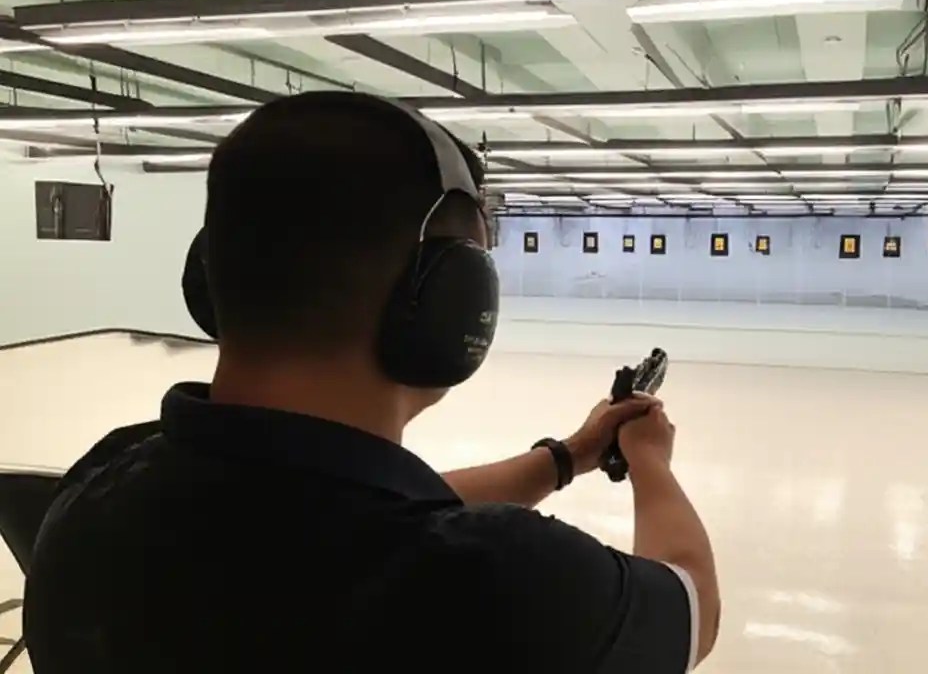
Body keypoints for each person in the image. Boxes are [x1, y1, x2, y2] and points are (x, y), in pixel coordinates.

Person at [24, 92, 719, 673]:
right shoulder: (498, 583)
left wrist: (564, 458)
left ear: (210, 276)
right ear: (451, 303)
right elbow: (691, 602)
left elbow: (348, 510)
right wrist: (650, 461)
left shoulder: (101, 482)